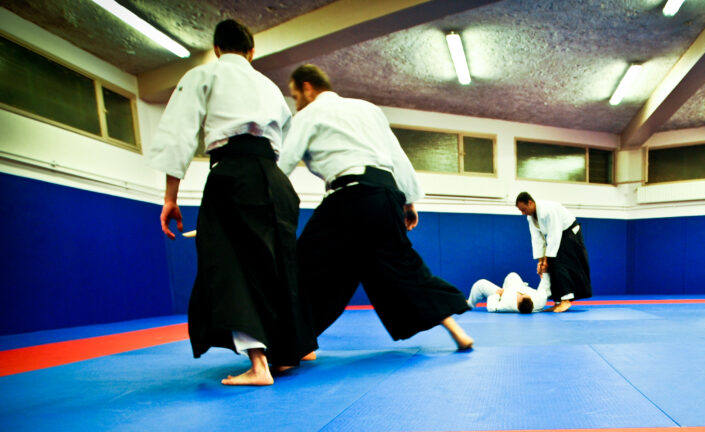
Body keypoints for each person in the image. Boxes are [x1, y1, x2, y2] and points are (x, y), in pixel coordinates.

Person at [148, 19, 316, 386]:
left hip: (233, 173)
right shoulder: (270, 87)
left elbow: (178, 133)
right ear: (252, 52)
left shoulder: (204, 75)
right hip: (276, 180)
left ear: (218, 49)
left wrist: (170, 197)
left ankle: (258, 365)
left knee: (228, 262)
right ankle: (288, 352)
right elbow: (284, 141)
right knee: (278, 263)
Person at [278, 65, 473, 351]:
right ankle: (456, 330)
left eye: (296, 95)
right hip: (385, 195)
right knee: (402, 268)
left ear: (308, 88)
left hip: (348, 198)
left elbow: (285, 160)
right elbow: (396, 155)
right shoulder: (368, 109)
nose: (296, 102)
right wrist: (409, 200)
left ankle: (292, 348)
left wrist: (264, 193)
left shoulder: (308, 114)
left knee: (305, 268)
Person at [515, 192, 592, 312]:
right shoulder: (531, 217)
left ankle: (566, 299)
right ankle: (558, 301)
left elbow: (554, 235)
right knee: (550, 266)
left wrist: (547, 260)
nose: (523, 213)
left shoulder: (548, 210)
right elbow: (537, 239)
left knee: (559, 263)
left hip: (569, 233)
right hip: (558, 235)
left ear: (530, 202)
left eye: (524, 209)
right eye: (521, 211)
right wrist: (541, 261)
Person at [468, 273, 551, 313]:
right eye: (525, 294)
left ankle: (469, 304)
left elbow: (492, 308)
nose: (522, 293)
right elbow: (545, 285)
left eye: (520, 296)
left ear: (517, 305)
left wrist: (497, 295)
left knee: (480, 284)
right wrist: (544, 272)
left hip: (503, 294)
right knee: (513, 276)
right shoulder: (540, 301)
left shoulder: (508, 305)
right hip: (518, 285)